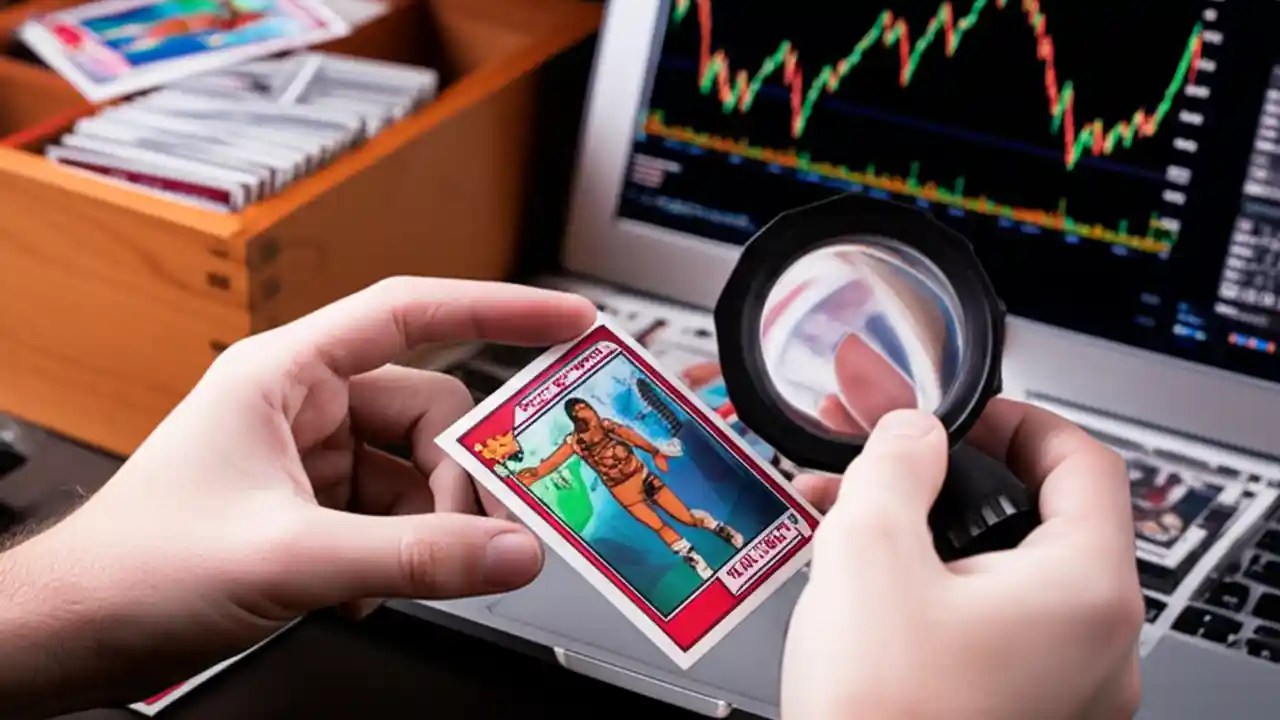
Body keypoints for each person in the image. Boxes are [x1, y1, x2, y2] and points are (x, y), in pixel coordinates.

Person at [0, 277, 1144, 719]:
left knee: (692, 520)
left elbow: (627, 436)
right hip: (641, 501)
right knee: (678, 526)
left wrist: (53, 604)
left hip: (656, 490)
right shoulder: (585, 443)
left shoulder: (611, 430)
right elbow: (566, 464)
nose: (583, 421)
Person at [516, 397, 744, 580]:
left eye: (586, 406)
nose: (588, 411)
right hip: (624, 494)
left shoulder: (607, 426)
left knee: (686, 518)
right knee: (658, 526)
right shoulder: (576, 442)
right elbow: (553, 463)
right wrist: (534, 474)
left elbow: (631, 436)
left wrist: (655, 452)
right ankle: (693, 559)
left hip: (643, 477)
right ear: (576, 416)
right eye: (581, 409)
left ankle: (717, 527)